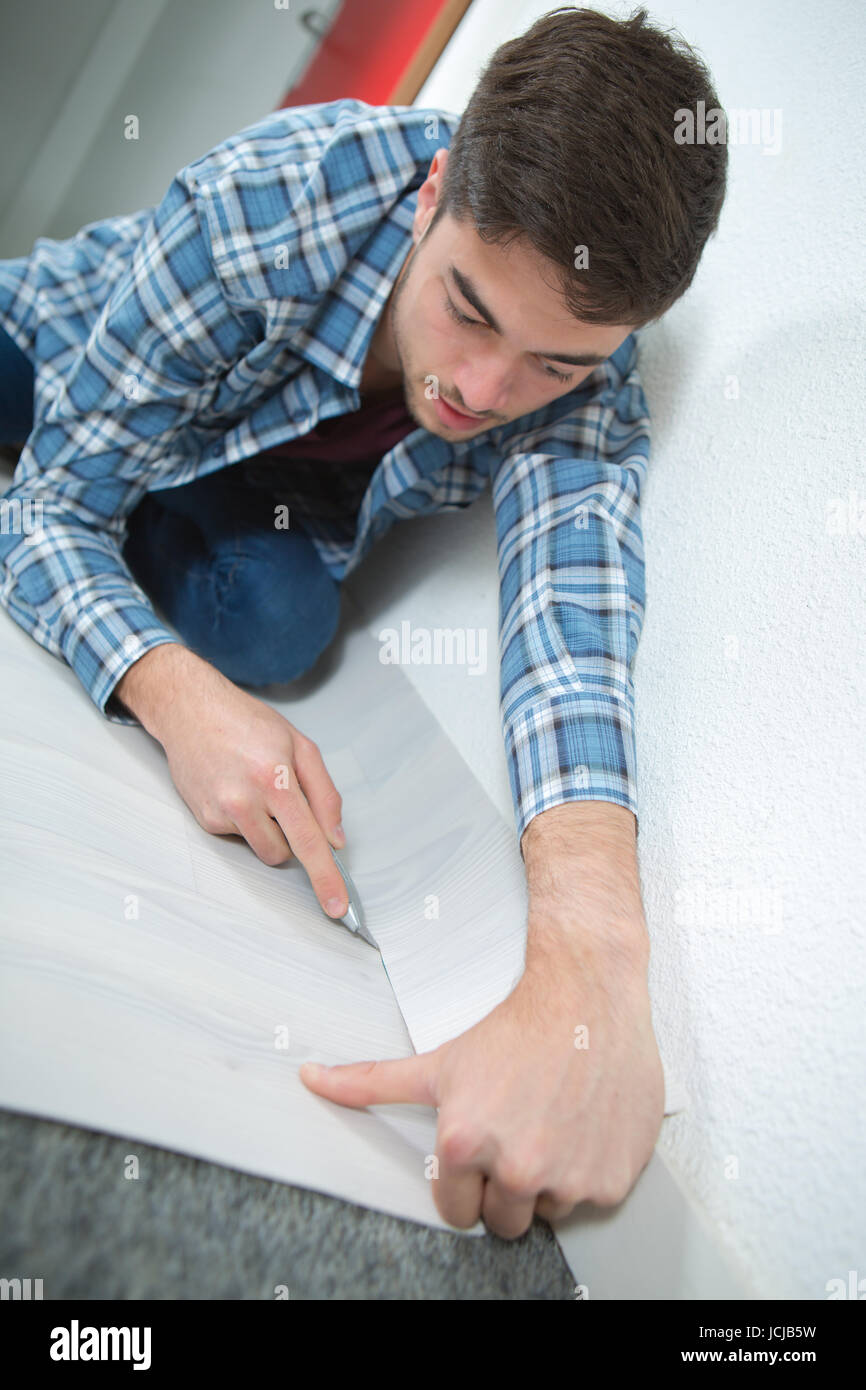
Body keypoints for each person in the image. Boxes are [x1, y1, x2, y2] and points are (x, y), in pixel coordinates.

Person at [0, 6, 727, 1239]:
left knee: (279, 631)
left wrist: (594, 977)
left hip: (225, 478)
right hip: (54, 353)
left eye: (554, 364)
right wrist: (169, 692)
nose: (482, 393)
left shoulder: (585, 378)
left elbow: (572, 638)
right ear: (437, 185)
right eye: (468, 310)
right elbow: (53, 508)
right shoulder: (272, 201)